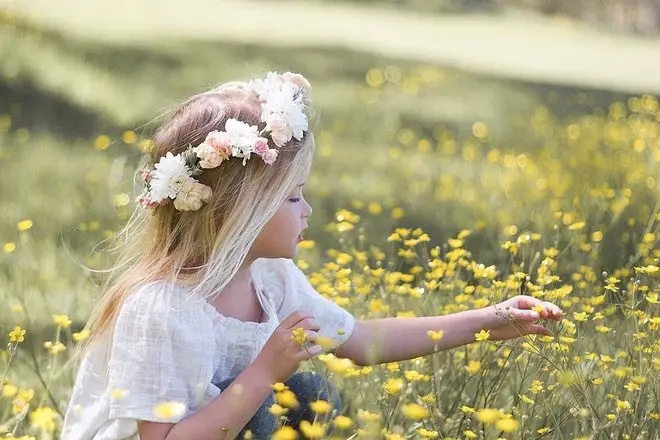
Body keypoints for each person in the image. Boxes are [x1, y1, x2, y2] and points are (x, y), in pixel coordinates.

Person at [61, 72, 564, 440]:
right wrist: (263, 372)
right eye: (293, 196)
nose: (309, 210)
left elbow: (361, 341)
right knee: (271, 400)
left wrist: (487, 321)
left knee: (307, 393)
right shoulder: (162, 309)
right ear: (241, 208)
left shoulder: (272, 280)